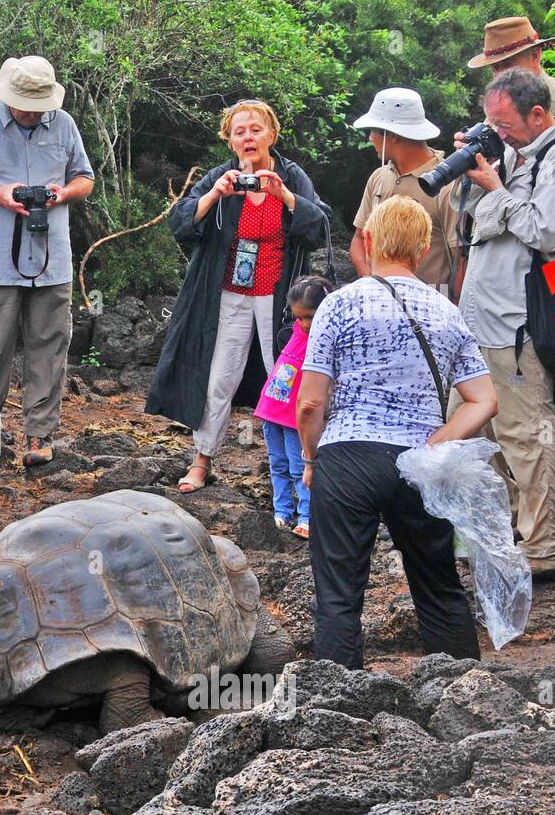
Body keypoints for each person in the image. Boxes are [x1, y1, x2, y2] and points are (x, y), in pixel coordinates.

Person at [297, 196, 498, 670]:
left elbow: (309, 402)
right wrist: (436, 443)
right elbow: (485, 399)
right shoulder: (445, 310)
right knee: (438, 584)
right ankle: (460, 686)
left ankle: (336, 707)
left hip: (347, 456)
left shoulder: (338, 304)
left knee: (339, 592)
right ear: (423, 245)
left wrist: (310, 461)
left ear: (368, 239)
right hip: (419, 464)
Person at [146, 99, 329, 493]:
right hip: (227, 293)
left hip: (280, 299)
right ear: (230, 141)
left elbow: (320, 227)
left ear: (271, 135)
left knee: (285, 379)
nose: (248, 137)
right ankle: (202, 460)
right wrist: (214, 194)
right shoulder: (221, 176)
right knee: (219, 378)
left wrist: (286, 198)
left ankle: (300, 468)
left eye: (255, 129)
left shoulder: (292, 176)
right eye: (239, 131)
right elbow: (180, 223)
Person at [452, 68, 555, 581]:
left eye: (504, 123)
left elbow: (548, 231)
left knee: (527, 438)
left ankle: (544, 550)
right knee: (473, 439)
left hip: (520, 326)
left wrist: (495, 188)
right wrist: (474, 165)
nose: (499, 132)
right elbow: (470, 220)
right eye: (492, 123)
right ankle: (499, 534)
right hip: (479, 323)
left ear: (538, 114)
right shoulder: (513, 154)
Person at [0, 55, 94, 468]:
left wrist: (60, 194)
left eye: (39, 104)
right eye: (26, 102)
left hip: (52, 258)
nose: (32, 111)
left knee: (50, 346)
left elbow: (85, 177)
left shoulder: (63, 123)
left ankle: (39, 435)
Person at [349, 88, 460, 297]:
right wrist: (371, 281)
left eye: (374, 130)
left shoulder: (447, 184)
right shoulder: (378, 177)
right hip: (377, 302)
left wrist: (452, 309)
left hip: (430, 302)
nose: (371, 138)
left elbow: (461, 258)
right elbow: (358, 239)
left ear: (392, 135)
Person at [254, 275, 332, 540]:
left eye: (309, 316)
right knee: (277, 463)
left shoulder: (325, 337)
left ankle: (307, 516)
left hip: (294, 416)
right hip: (271, 407)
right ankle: (282, 512)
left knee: (300, 468)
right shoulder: (296, 330)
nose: (305, 324)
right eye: (299, 318)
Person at [468, 16, 555, 169]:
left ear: (535, 56)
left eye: (508, 65)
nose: (501, 76)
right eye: (495, 68)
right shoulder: (504, 102)